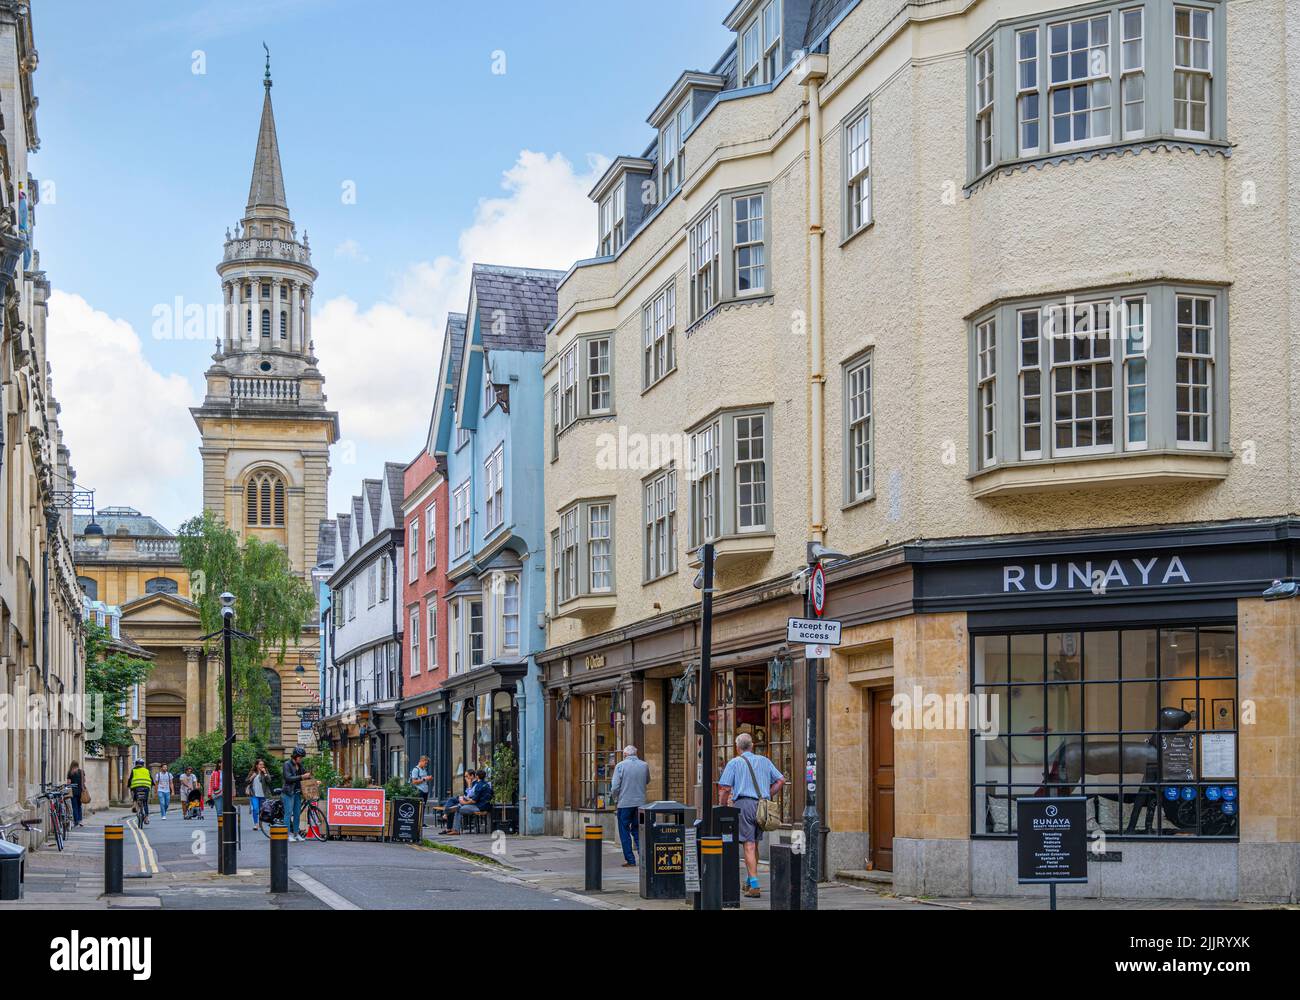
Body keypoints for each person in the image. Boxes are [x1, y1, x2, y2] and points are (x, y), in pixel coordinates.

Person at [717, 733, 786, 898]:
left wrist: (722, 805)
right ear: (752, 745)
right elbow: (781, 780)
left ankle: (754, 885)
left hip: (744, 805)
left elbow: (725, 788)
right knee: (753, 843)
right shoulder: (765, 761)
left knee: (748, 845)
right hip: (762, 805)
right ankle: (749, 881)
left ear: (737, 747)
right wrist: (767, 794)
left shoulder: (734, 763)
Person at [611, 745, 650, 867]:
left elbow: (615, 787)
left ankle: (630, 860)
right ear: (636, 753)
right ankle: (643, 858)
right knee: (638, 830)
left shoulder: (620, 766)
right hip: (641, 804)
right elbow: (647, 780)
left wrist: (616, 798)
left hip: (625, 804)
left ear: (625, 755)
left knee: (624, 831)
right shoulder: (644, 765)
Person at [282, 747, 312, 842]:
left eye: (301, 757)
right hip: (288, 793)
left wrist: (313, 780)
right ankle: (287, 835)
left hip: (297, 793)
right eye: (300, 757)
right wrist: (302, 776)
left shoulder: (299, 765)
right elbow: (288, 778)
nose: (301, 759)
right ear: (295, 756)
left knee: (297, 814)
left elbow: (305, 776)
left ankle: (295, 834)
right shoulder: (287, 764)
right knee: (288, 813)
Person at [449, 769, 492, 835]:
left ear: (477, 776)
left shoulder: (479, 785)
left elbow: (474, 801)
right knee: (459, 806)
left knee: (458, 809)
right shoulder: (487, 784)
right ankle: (453, 828)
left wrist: (464, 802)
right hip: (486, 805)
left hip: (479, 807)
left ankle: (456, 830)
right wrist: (467, 800)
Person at [440, 769, 477, 833]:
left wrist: (469, 784)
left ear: (472, 776)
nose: (465, 778)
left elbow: (471, 795)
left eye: (467, 776)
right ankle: (449, 828)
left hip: (470, 802)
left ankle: (446, 817)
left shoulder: (475, 783)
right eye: (465, 776)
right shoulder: (471, 783)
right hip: (465, 799)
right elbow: (466, 794)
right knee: (451, 804)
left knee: (452, 805)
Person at [247, 759, 272, 831]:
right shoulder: (253, 772)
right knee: (255, 809)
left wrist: (265, 773)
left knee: (262, 810)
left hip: (263, 795)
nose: (262, 766)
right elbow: (247, 781)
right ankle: (256, 824)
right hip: (254, 794)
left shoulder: (265, 772)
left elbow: (269, 781)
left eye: (263, 764)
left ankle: (260, 823)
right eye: (260, 764)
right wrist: (252, 777)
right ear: (256, 765)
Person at [128, 758, 152, 824]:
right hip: (146, 787)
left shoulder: (134, 770)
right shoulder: (147, 770)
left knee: (134, 795)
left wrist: (128, 785)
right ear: (143, 764)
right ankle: (146, 819)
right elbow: (151, 779)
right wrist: (152, 784)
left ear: (136, 764)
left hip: (136, 787)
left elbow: (130, 779)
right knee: (145, 803)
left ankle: (134, 805)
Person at [409, 756, 432, 824]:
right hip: (419, 790)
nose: (426, 765)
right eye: (425, 763)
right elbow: (414, 782)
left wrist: (428, 778)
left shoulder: (424, 769)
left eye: (426, 763)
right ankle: (418, 822)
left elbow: (424, 779)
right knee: (419, 807)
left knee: (423, 807)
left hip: (425, 790)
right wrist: (425, 779)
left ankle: (421, 822)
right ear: (421, 761)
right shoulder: (416, 770)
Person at [66, 761, 86, 828]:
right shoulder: (81, 772)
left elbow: (68, 783)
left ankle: (76, 821)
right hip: (80, 791)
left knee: (74, 806)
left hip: (73, 791)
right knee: (79, 806)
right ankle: (80, 821)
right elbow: (84, 780)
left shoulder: (70, 772)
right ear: (77, 765)